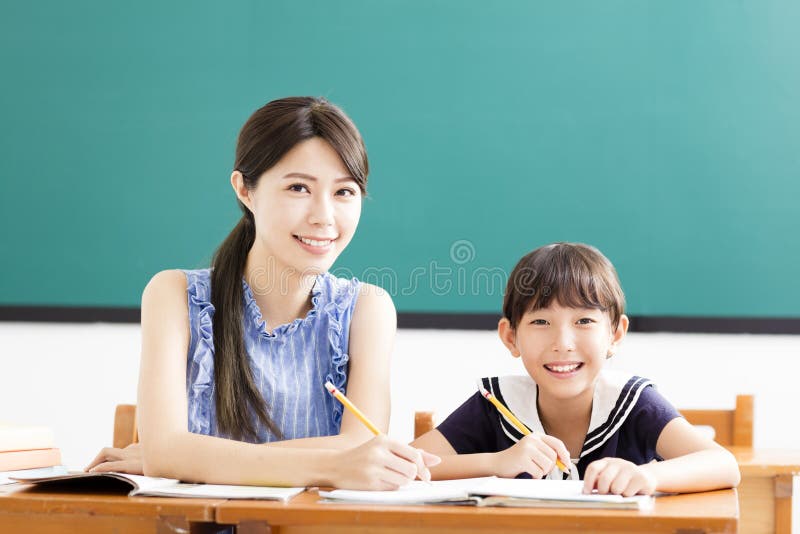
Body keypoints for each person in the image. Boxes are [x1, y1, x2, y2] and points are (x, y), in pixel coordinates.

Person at [86, 96, 438, 489]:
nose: (324, 216)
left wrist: (191, 458)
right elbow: (166, 453)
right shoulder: (173, 295)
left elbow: (359, 446)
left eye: (344, 192)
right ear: (245, 190)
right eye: (299, 187)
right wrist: (331, 465)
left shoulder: (368, 309)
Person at [412, 242, 740, 495]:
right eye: (541, 321)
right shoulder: (496, 403)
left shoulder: (633, 402)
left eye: (583, 321)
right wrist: (496, 463)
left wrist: (646, 475)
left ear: (615, 334)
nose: (563, 342)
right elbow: (411, 465)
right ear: (510, 337)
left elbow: (724, 465)